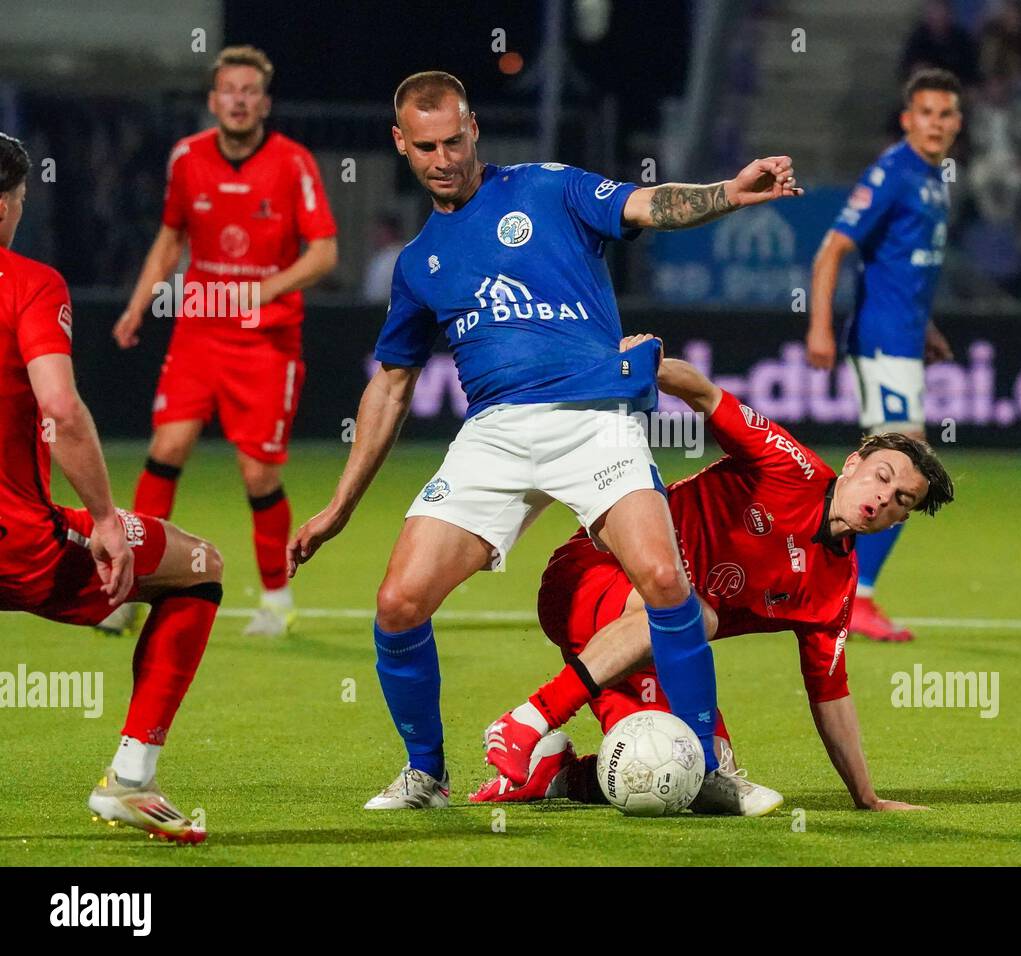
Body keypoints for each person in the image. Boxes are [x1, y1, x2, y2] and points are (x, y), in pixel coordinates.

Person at [286, 71, 803, 809]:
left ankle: (709, 766)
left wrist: (729, 191)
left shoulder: (549, 187)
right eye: (426, 146)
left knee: (663, 581)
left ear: (474, 131)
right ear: (401, 144)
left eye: (456, 140)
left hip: (596, 416)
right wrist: (339, 506)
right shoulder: (418, 265)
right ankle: (426, 773)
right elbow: (392, 385)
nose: (444, 158)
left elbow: (650, 203)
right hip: (494, 432)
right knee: (399, 602)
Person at [472, 349, 953, 814]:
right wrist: (644, 364)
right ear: (853, 465)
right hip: (593, 575)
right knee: (687, 613)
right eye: (880, 476)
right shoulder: (789, 464)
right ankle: (529, 720)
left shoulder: (833, 590)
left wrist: (865, 796)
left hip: (656, 649)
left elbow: (829, 693)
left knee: (686, 774)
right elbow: (701, 392)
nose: (883, 498)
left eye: (901, 500)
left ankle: (558, 775)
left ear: (899, 520)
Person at [0, 132, 222, 843]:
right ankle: (131, 779)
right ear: (8, 203)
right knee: (199, 569)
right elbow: (61, 410)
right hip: (18, 542)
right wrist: (101, 516)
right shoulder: (30, 283)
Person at [105, 45, 338, 637]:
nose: (238, 99)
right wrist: (138, 305)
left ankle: (277, 602)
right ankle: (130, 587)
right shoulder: (186, 158)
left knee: (258, 476)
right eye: (228, 90)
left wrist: (266, 290)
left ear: (264, 101)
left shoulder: (293, 163)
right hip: (199, 332)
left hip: (266, 343)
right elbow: (169, 238)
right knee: (167, 450)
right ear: (213, 101)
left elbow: (325, 253)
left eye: (249, 90)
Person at [804, 68, 960, 642]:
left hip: (903, 337)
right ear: (907, 118)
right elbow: (832, 250)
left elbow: (903, 270)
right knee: (906, 461)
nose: (936, 124)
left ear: (956, 123)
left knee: (895, 462)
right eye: (926, 113)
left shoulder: (934, 177)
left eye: (945, 114)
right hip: (880, 341)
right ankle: (856, 595)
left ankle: (841, 585)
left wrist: (927, 328)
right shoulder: (893, 172)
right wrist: (820, 326)